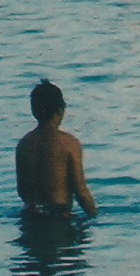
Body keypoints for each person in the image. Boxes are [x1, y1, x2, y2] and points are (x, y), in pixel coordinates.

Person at [15, 80, 97, 219]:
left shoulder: (23, 145)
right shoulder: (68, 144)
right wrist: (94, 216)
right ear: (60, 110)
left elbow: (23, 192)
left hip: (29, 216)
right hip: (58, 217)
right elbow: (80, 191)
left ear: (34, 111)